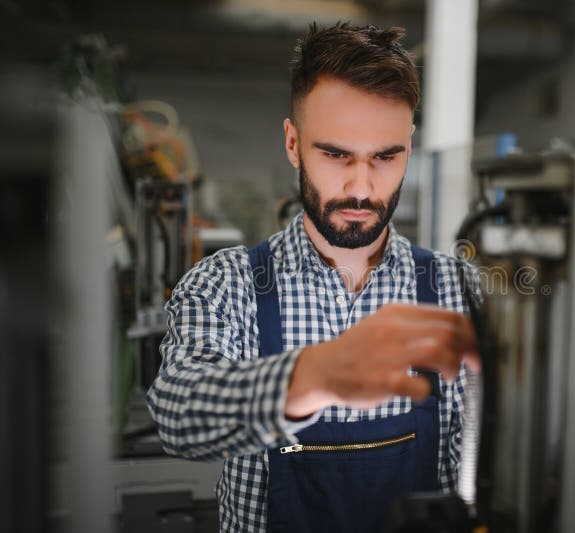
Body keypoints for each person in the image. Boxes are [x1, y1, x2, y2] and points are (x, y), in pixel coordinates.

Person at [146, 22, 479, 533]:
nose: (361, 188)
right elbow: (176, 414)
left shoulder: (458, 291)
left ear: (409, 146)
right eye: (335, 154)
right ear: (293, 143)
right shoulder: (226, 285)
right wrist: (314, 376)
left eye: (385, 157)